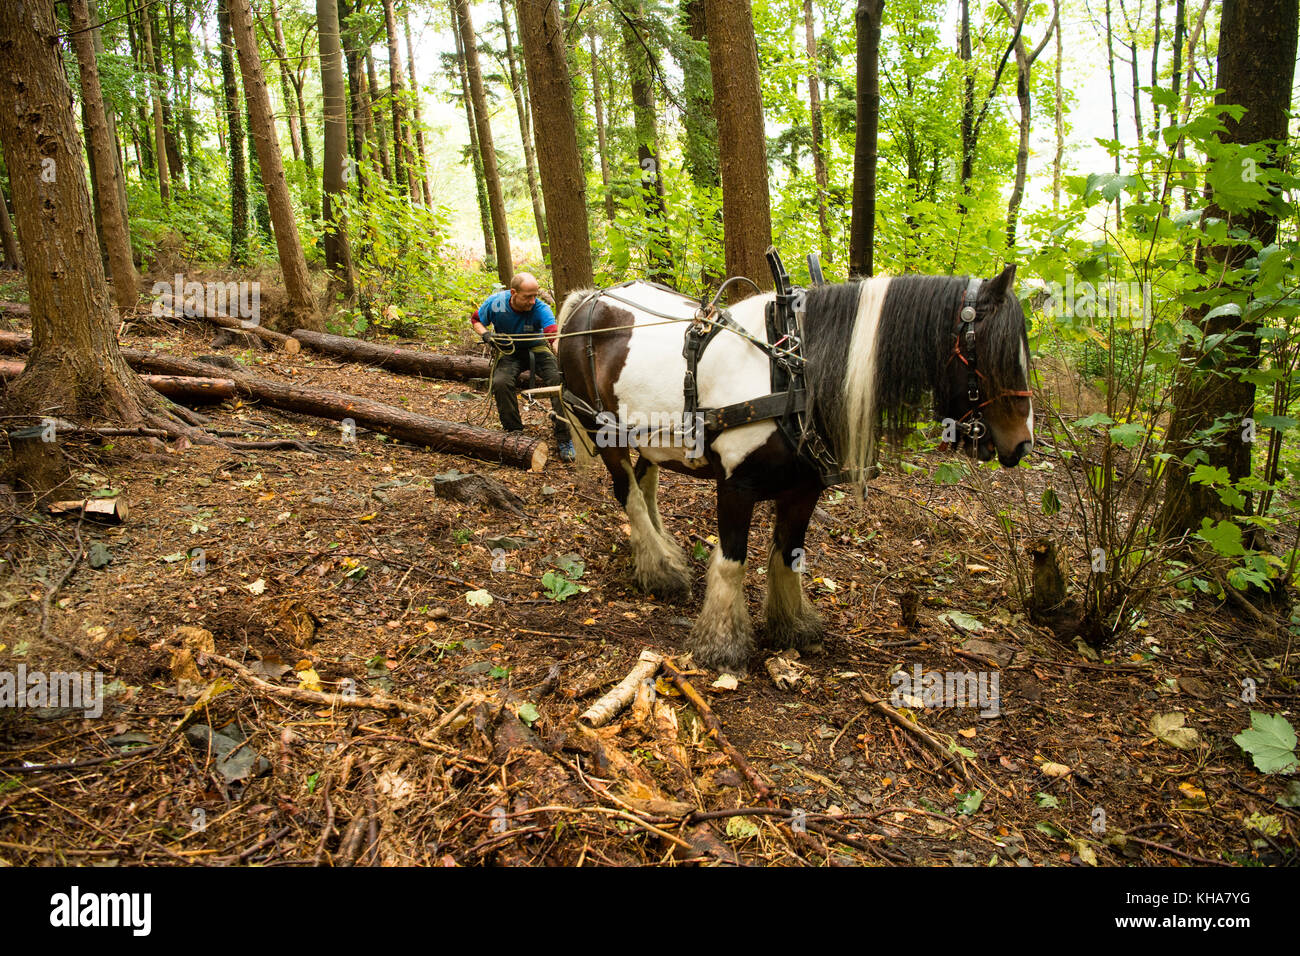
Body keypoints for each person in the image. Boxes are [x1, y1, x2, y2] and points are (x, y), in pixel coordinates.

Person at [470, 273, 576, 463]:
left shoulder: (541, 308)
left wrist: (564, 356)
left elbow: (552, 335)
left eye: (535, 295)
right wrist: (486, 335)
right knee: (500, 382)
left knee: (558, 380)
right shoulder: (496, 303)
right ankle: (514, 432)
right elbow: (476, 320)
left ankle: (564, 437)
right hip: (509, 351)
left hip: (537, 348)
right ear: (513, 293)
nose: (532, 301)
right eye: (528, 296)